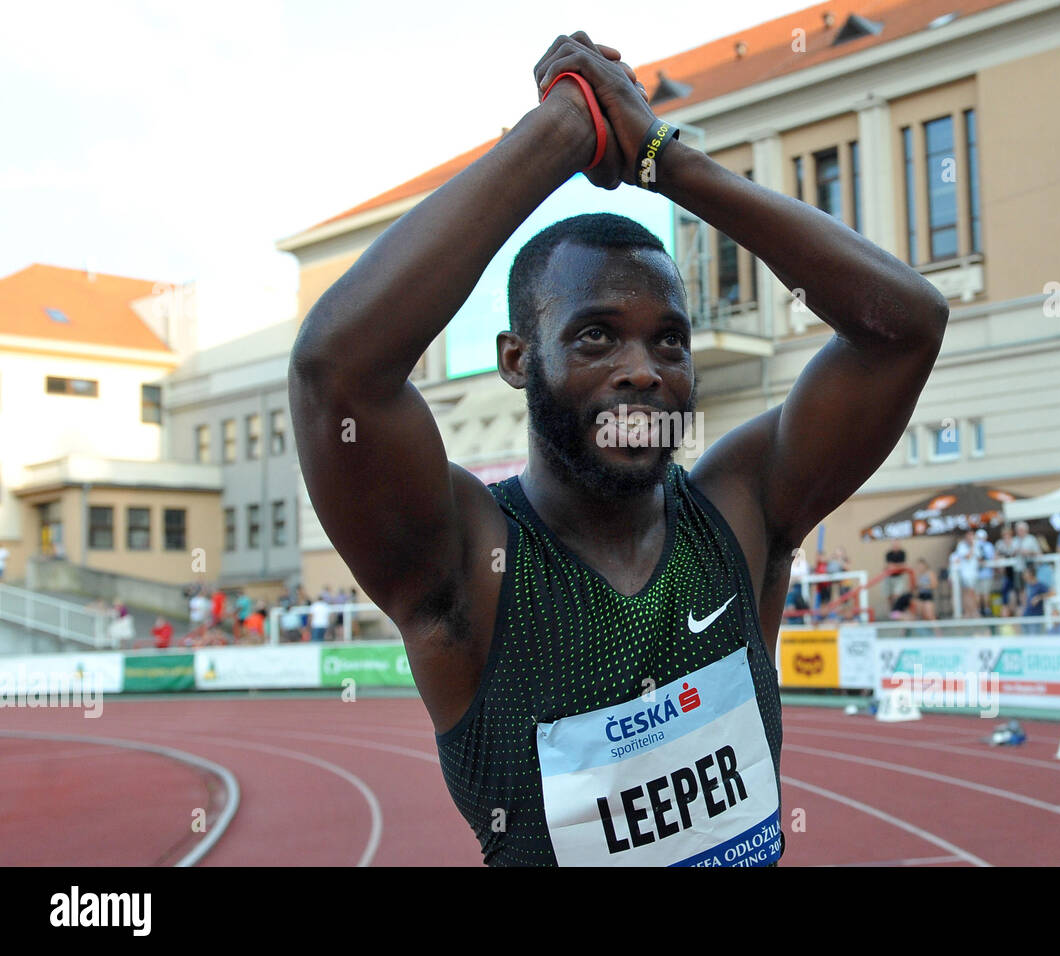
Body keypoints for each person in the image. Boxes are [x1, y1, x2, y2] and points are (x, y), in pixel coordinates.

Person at [287, 30, 949, 869]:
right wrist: (564, 129)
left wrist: (666, 161)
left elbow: (905, 330)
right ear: (517, 359)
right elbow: (334, 373)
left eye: (670, 341)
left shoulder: (742, 512)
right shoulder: (467, 564)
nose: (643, 371)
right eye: (597, 337)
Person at [1021, 566, 1051, 634]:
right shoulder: (1028, 585)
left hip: (1036, 617)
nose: (1023, 575)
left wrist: (1039, 597)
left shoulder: (1039, 585)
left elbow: (1052, 593)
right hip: (1026, 616)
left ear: (1031, 574)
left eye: (1025, 573)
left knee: (1033, 639)